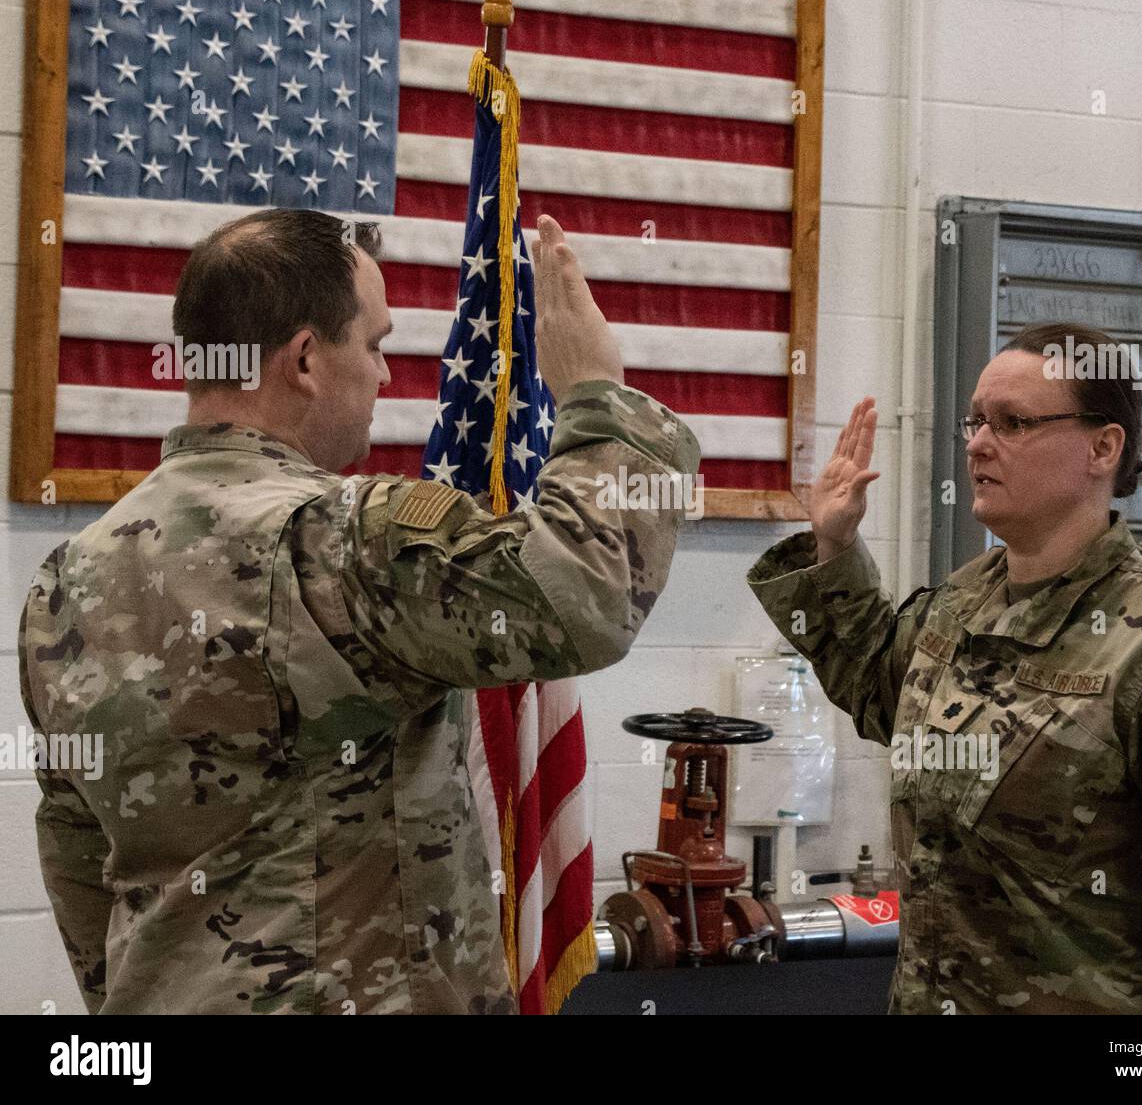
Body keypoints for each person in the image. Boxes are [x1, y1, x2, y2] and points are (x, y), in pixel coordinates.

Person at [18, 210, 701, 1014]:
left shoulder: (66, 579)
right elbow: (585, 597)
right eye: (374, 345)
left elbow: (74, 848)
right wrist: (597, 394)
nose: (384, 375)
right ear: (305, 358)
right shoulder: (342, 536)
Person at [748, 321, 1142, 1013]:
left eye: (1013, 422)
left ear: (1103, 447)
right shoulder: (961, 604)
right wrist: (835, 545)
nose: (978, 443)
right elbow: (876, 689)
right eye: (976, 420)